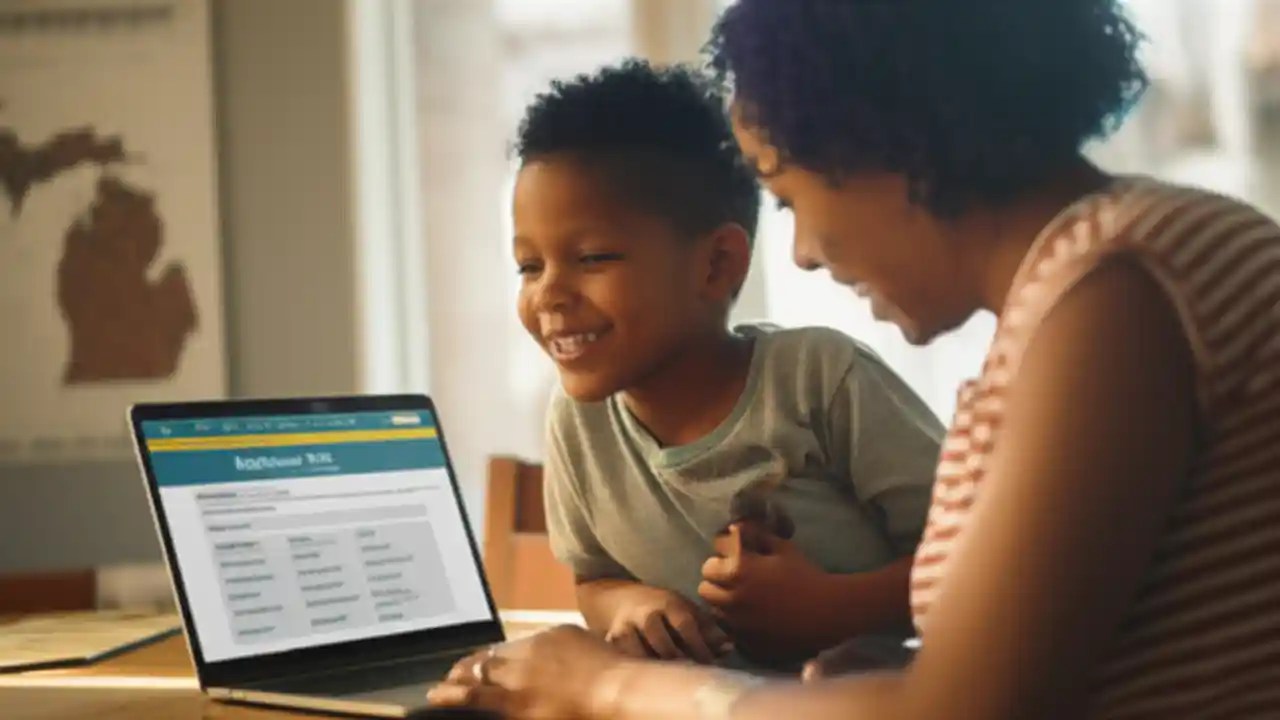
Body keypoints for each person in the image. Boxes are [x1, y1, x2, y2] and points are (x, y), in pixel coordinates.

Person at [428, 1, 1280, 718]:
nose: (799, 253)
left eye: (789, 193)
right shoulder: (1125, 262)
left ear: (893, 144)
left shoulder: (1115, 298)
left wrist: (610, 685)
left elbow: (953, 712)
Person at [510, 60, 944, 670]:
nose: (548, 294)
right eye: (529, 267)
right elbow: (594, 579)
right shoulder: (577, 423)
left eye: (592, 257)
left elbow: (980, 561)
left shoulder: (819, 379)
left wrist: (834, 606)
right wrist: (629, 605)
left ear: (715, 265)